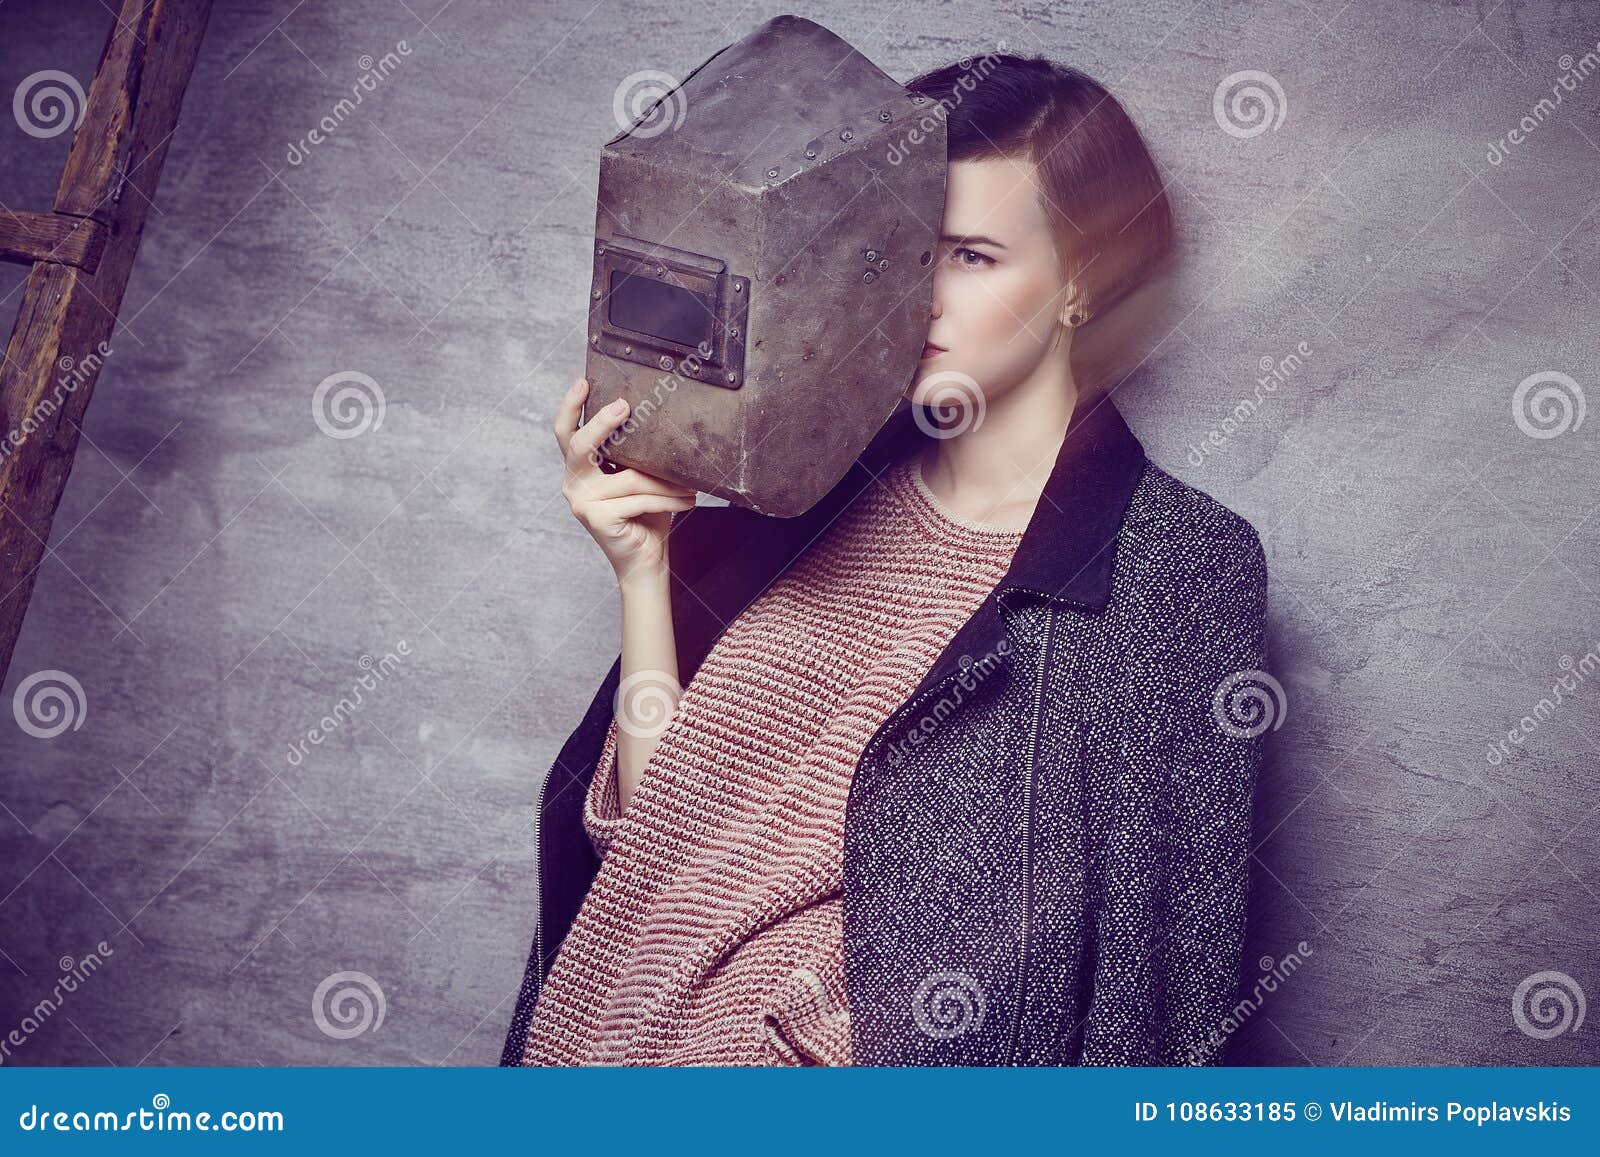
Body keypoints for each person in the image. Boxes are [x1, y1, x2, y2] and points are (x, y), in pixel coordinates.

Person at [502, 53, 1270, 1067]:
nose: (922, 299)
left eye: (974, 256)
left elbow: (1161, 989)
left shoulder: (1172, 564)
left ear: (1083, 278)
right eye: (899, 252)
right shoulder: (800, 488)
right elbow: (651, 844)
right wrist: (644, 570)